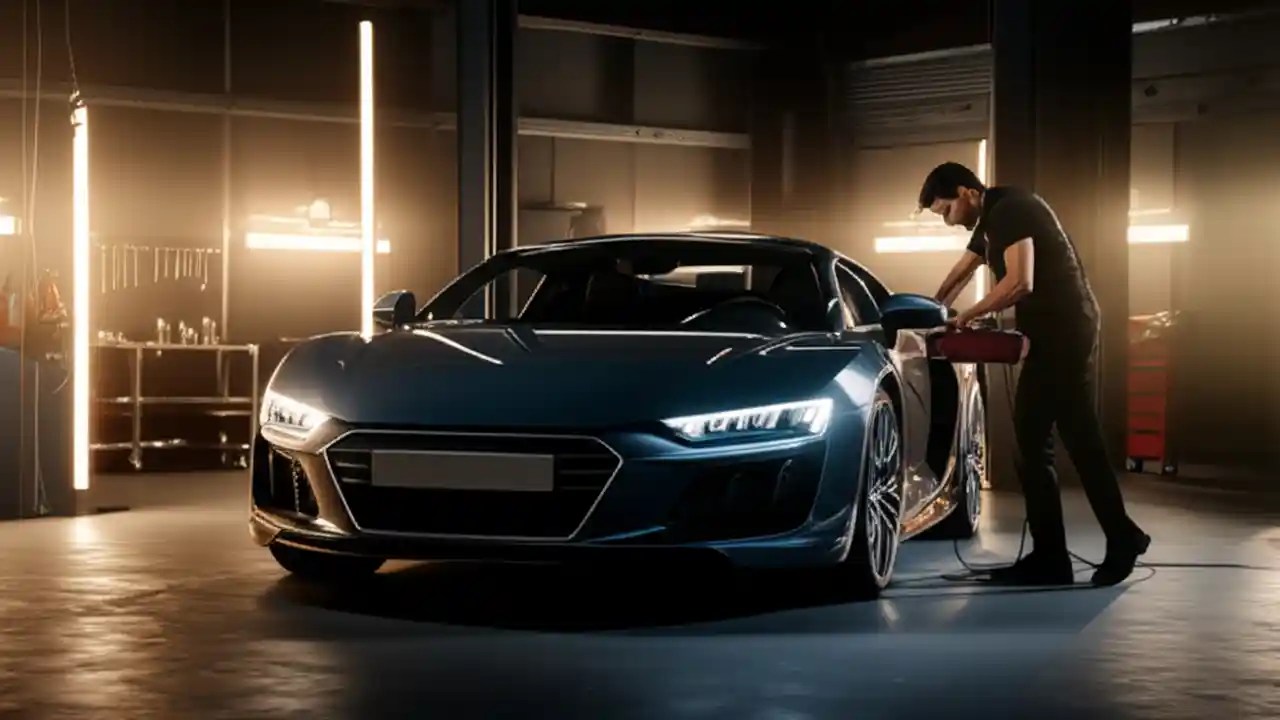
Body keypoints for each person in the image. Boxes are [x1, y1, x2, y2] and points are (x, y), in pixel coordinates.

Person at [918, 161, 1150, 587]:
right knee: (1079, 439)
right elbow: (963, 269)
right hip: (1059, 328)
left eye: (945, 210)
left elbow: (1021, 282)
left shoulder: (1011, 210)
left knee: (1032, 438)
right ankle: (1117, 537)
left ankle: (1059, 555)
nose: (947, 220)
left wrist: (965, 316)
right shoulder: (991, 217)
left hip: (1062, 329)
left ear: (966, 192)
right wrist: (929, 312)